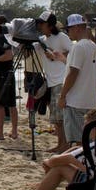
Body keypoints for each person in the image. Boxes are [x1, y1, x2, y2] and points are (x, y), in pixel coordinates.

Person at [26, 109, 96, 190]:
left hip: (95, 187)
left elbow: (55, 161)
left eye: (87, 125)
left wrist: (47, 161)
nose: (84, 127)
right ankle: (42, 185)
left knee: (59, 167)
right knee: (74, 150)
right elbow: (74, 154)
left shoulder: (94, 147)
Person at [58, 14, 96, 147]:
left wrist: (62, 96)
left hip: (75, 101)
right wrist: (62, 59)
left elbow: (73, 73)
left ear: (76, 27)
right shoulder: (92, 45)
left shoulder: (78, 46)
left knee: (78, 141)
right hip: (89, 99)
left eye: (68, 29)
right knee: (88, 139)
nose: (67, 32)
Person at [36, 11, 72, 153]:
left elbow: (73, 52)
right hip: (51, 81)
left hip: (61, 79)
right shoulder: (42, 39)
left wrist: (56, 55)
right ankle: (60, 144)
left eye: (42, 23)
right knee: (56, 118)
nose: (39, 26)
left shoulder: (61, 37)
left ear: (50, 25)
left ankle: (64, 145)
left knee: (61, 117)